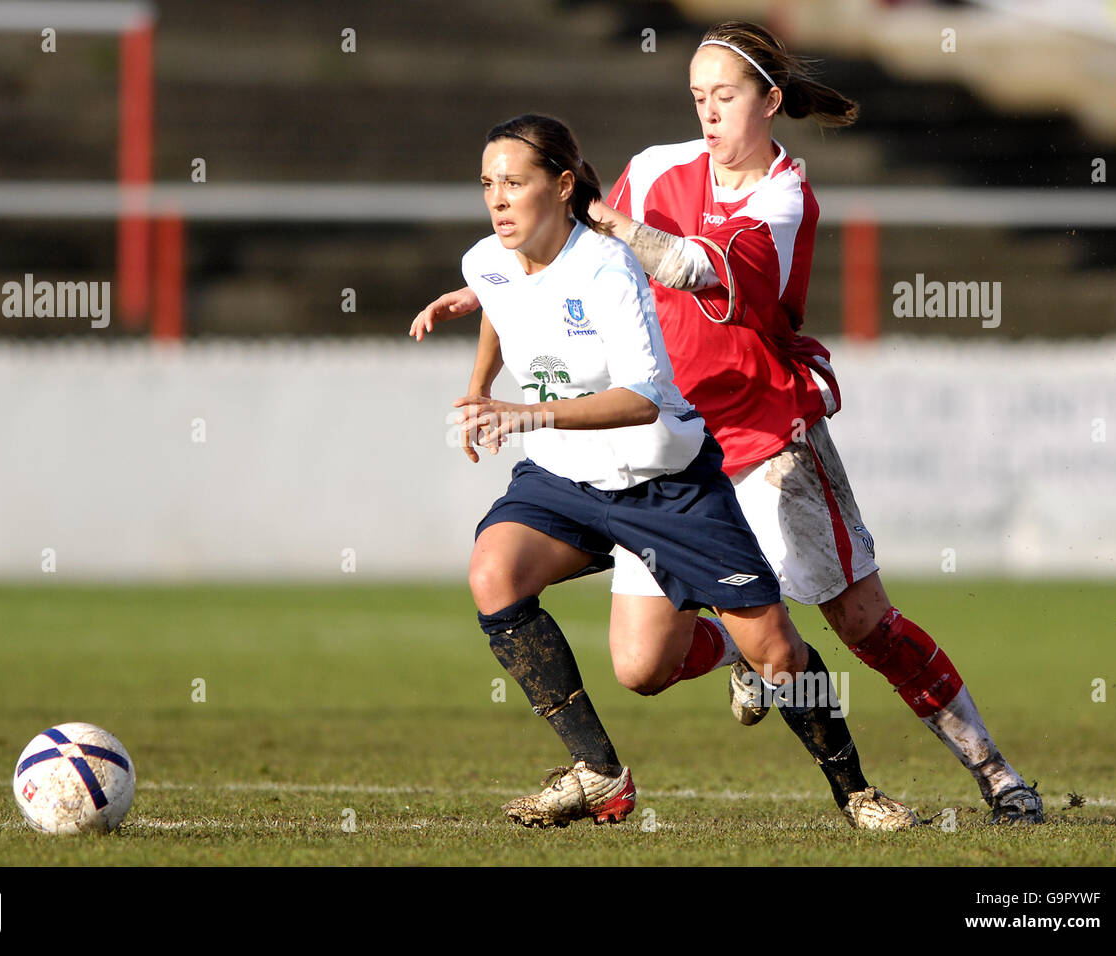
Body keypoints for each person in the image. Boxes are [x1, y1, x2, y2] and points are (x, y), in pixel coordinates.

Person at [414, 23, 1041, 826]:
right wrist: (497, 287)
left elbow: (693, 266)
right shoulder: (658, 166)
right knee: (641, 667)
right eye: (698, 97)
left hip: (763, 438)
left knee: (859, 622)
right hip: (666, 453)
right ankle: (736, 654)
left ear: (770, 101)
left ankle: (996, 775)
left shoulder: (783, 197)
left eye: (727, 96)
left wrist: (610, 227)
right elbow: (568, 249)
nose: (708, 113)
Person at [440, 112, 914, 830]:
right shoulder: (487, 261)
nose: (498, 198)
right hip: (565, 480)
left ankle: (855, 791)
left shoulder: (606, 269)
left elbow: (640, 401)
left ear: (564, 186)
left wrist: (523, 415)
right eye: (487, 184)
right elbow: (500, 307)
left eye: (515, 182)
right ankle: (598, 775)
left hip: (663, 481)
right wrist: (480, 388)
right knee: (495, 577)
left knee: (775, 650)